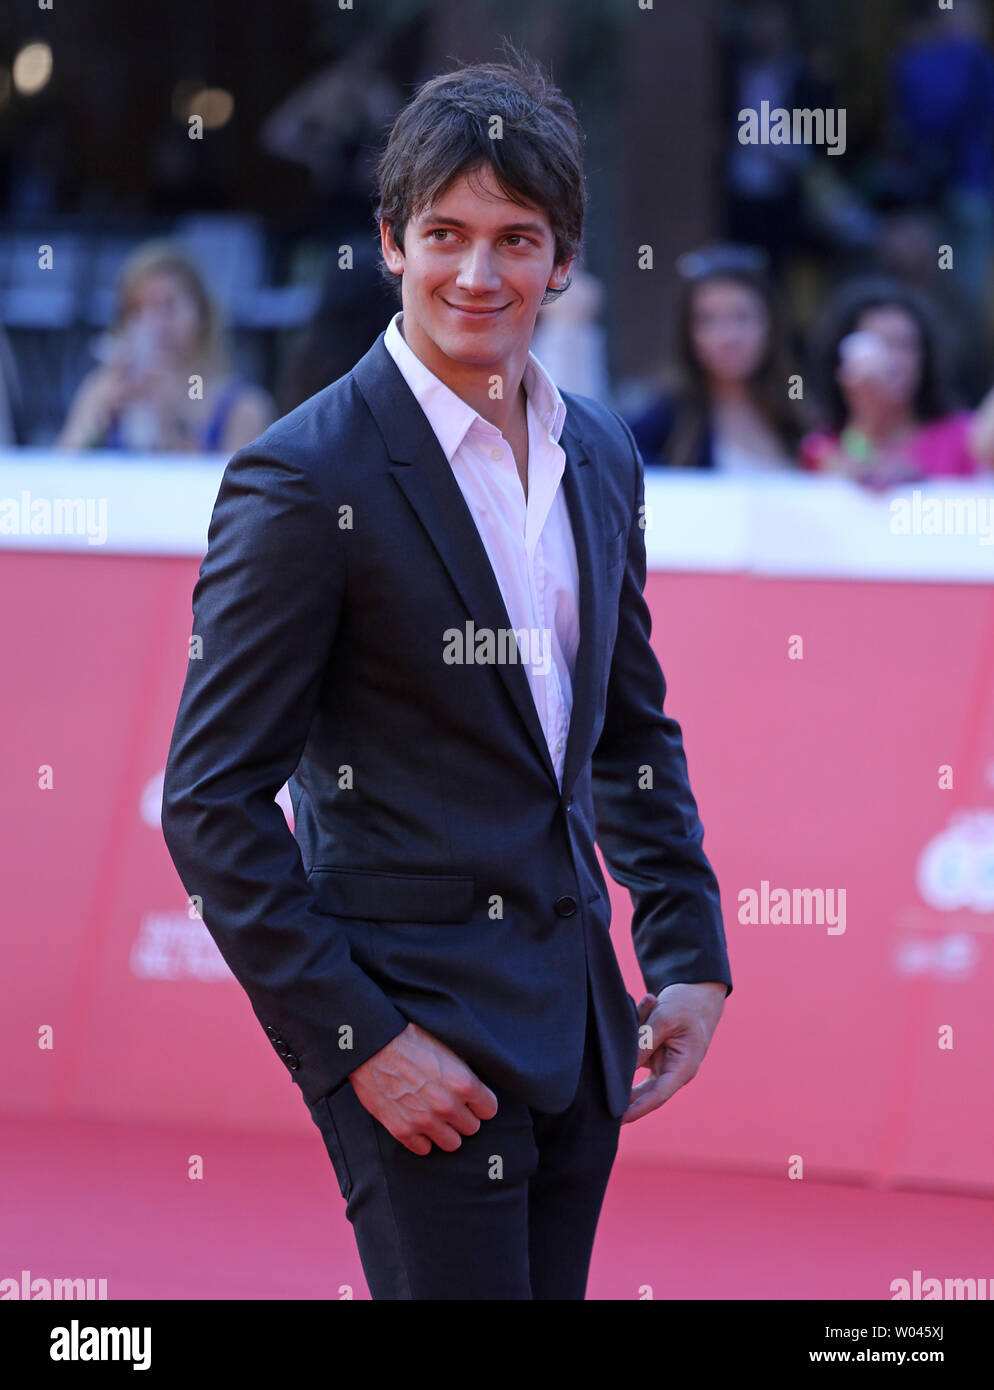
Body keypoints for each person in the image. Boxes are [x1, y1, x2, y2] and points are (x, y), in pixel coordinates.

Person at [160, 48, 731, 1302]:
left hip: (583, 1029)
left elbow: (627, 724)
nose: (479, 274)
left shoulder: (600, 455)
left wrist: (686, 947)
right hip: (417, 1044)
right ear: (390, 242)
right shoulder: (304, 477)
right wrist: (362, 1045)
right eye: (446, 234)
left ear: (564, 257)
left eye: (516, 239)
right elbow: (209, 803)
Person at [56, 241, 274, 454]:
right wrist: (98, 421)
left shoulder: (243, 409)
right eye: (137, 309)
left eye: (167, 307)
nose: (152, 323)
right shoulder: (100, 390)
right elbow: (58, 475)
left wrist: (170, 427)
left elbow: (233, 488)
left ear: (202, 314)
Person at [801, 276, 990, 488]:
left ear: (924, 357)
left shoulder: (964, 436)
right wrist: (865, 411)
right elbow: (851, 474)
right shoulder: (823, 445)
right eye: (876, 344)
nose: (893, 360)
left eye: (903, 345)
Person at [627, 244, 800, 472]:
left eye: (742, 317)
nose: (728, 337)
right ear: (688, 333)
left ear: (769, 326)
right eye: (708, 320)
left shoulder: (798, 414)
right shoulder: (663, 421)